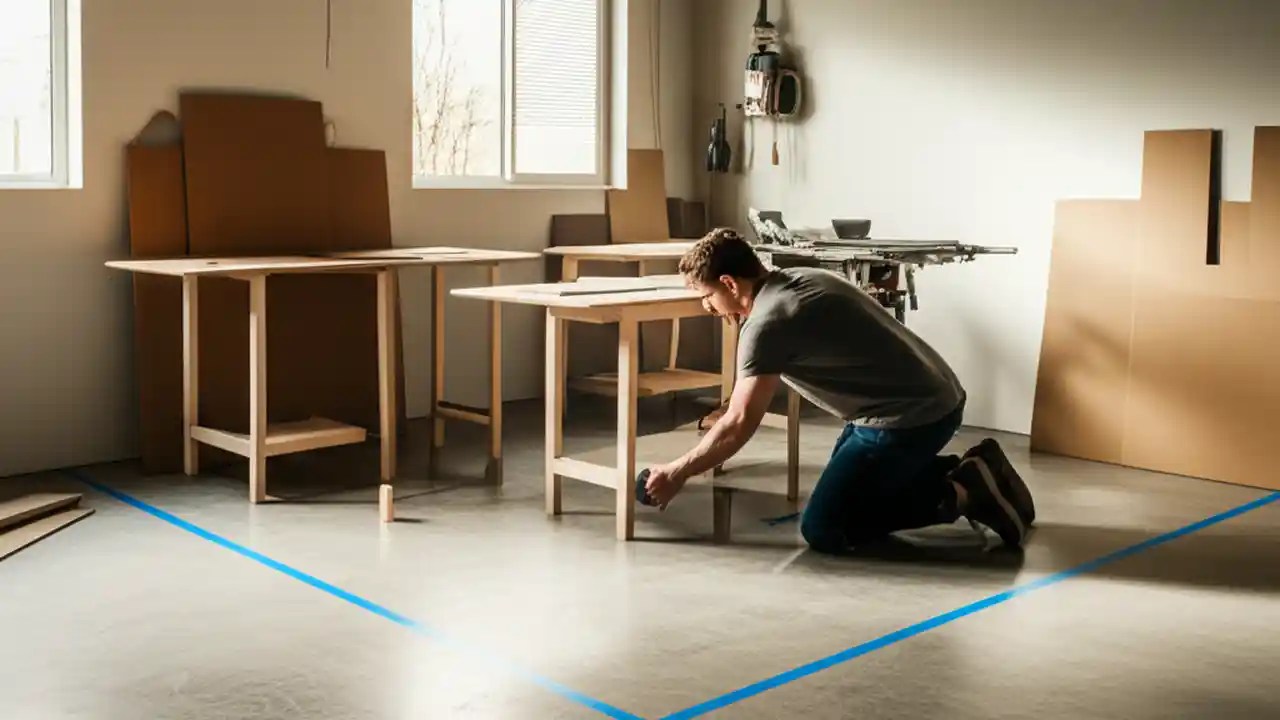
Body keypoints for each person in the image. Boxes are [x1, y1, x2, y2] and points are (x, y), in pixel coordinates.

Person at [641, 228, 1035, 553]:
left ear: (729, 283)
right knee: (852, 484)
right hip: (936, 397)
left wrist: (677, 472)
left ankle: (965, 491)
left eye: (707, 297)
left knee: (826, 526)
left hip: (908, 418)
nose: (707, 308)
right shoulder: (802, 278)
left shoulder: (765, 324)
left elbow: (739, 422)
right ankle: (971, 468)